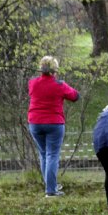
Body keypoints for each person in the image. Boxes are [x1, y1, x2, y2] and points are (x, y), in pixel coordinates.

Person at [28, 55, 79, 197]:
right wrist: (63, 84)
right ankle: (50, 190)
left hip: (35, 123)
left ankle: (50, 185)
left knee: (44, 154)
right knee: (52, 155)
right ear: (54, 71)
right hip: (54, 123)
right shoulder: (59, 85)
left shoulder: (32, 83)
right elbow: (75, 96)